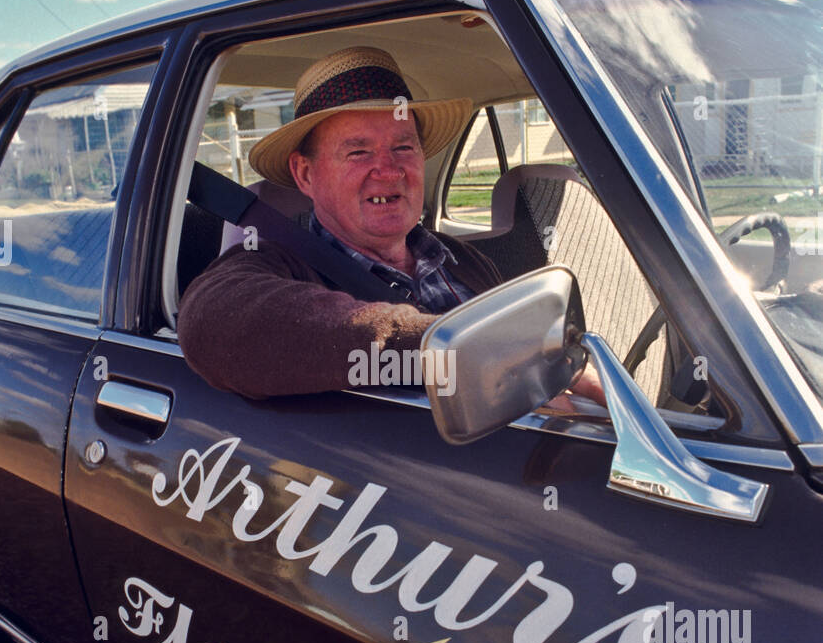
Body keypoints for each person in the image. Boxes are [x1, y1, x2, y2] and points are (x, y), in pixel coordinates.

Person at [178, 44, 601, 405]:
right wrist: (455, 350)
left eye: (404, 146)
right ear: (306, 175)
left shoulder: (462, 260)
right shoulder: (274, 264)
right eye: (358, 152)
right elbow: (210, 323)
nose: (390, 170)